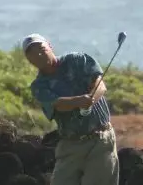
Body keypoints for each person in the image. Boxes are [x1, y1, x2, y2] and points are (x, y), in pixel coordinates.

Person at [22, 33, 119, 185]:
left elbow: (100, 84)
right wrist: (79, 102)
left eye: (41, 48)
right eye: (32, 54)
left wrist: (91, 99)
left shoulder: (77, 60)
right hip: (70, 145)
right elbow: (58, 104)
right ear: (30, 61)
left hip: (100, 139)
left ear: (49, 45)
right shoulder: (39, 86)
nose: (39, 54)